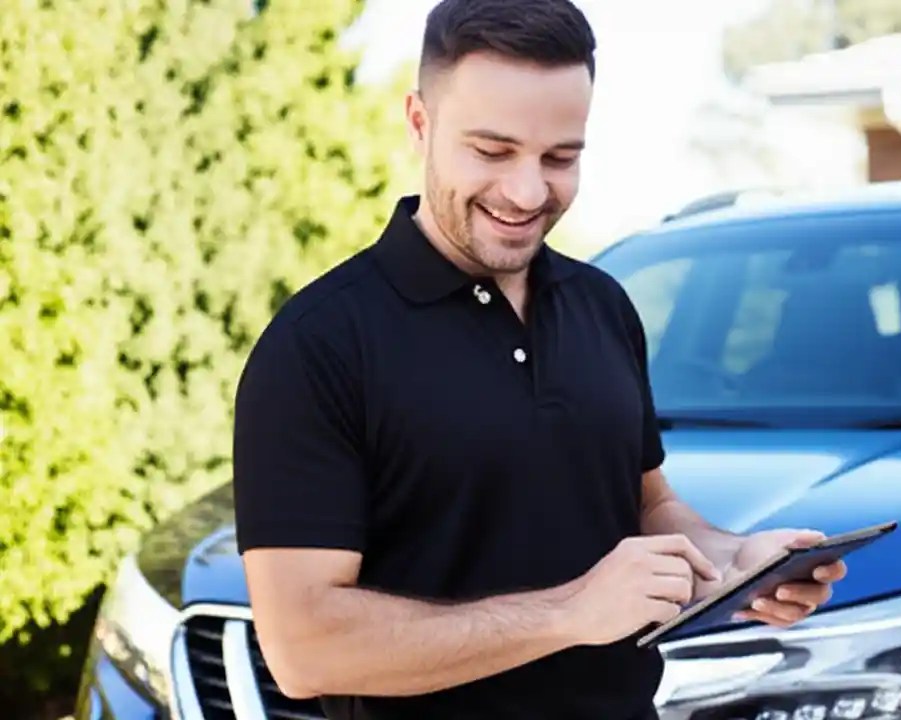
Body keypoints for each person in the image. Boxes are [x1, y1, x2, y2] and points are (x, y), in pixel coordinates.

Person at [231, 1, 847, 718]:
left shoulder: (604, 307)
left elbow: (650, 506)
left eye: (560, 157)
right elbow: (304, 650)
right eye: (492, 152)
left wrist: (732, 563)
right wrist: (569, 612)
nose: (527, 192)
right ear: (419, 124)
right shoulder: (318, 344)